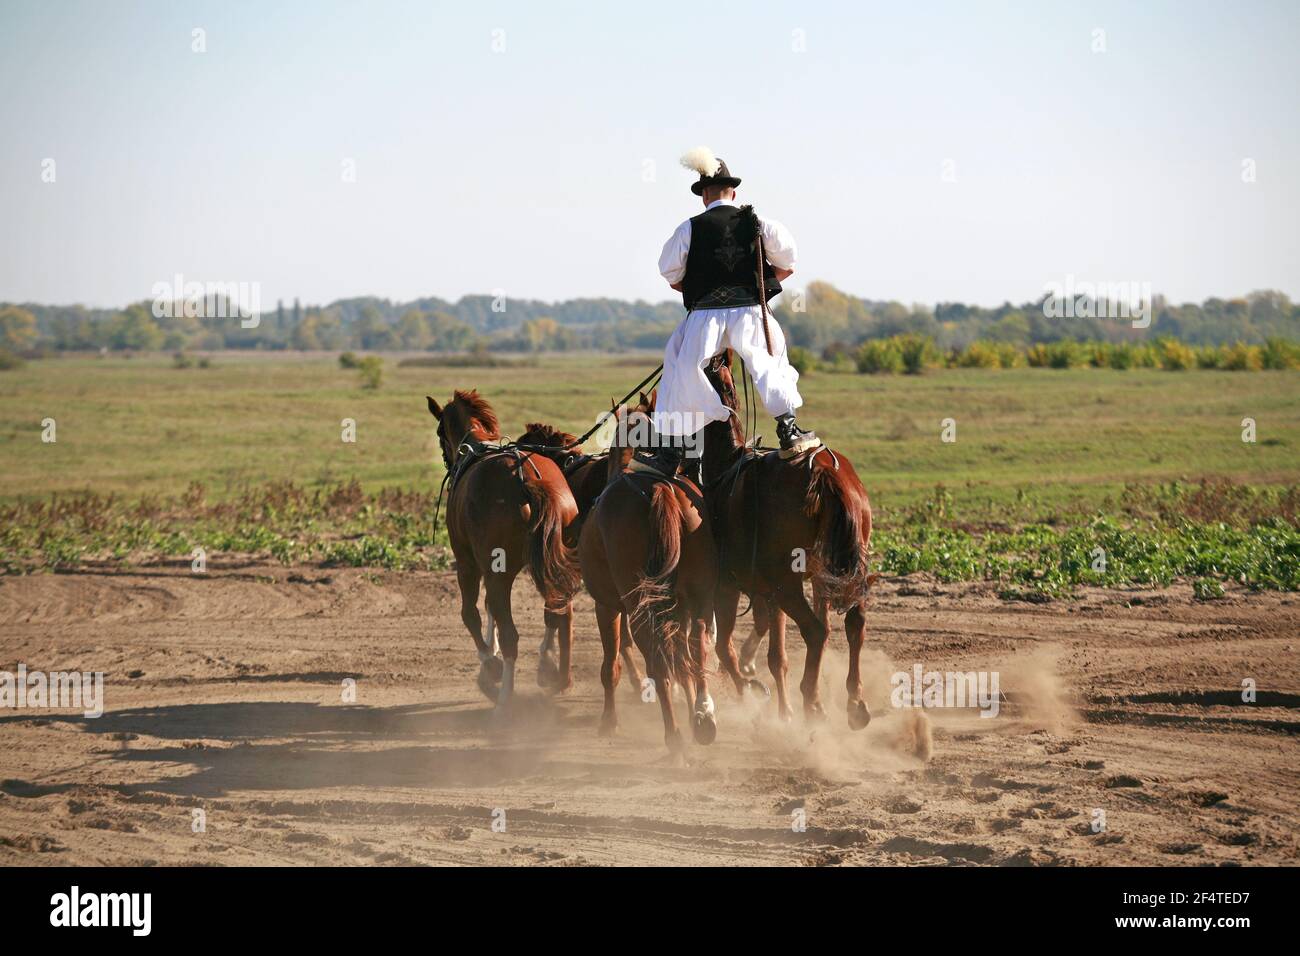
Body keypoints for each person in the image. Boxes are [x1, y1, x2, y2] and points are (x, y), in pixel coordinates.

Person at [643, 146, 818, 478]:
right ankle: (788, 430)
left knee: (679, 367)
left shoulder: (689, 228)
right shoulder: (758, 222)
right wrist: (759, 288)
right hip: (750, 312)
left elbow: (670, 275)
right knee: (769, 363)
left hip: (704, 316)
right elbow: (788, 263)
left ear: (703, 196)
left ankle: (670, 451)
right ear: (733, 192)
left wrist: (700, 292)